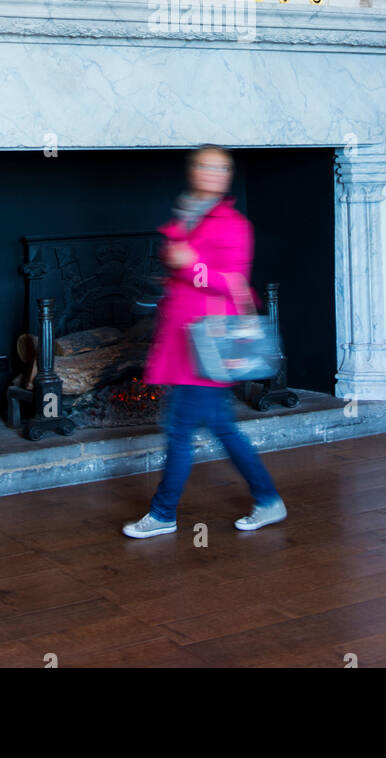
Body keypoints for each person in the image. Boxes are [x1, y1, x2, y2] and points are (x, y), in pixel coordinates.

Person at [122, 145, 286, 538]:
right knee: (220, 427)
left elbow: (232, 281)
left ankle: (163, 514)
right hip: (185, 336)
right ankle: (267, 500)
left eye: (220, 167)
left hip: (209, 342)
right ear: (192, 170)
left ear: (228, 175)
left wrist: (187, 266)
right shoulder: (188, 213)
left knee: (181, 430)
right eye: (204, 165)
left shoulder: (231, 223)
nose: (211, 172)